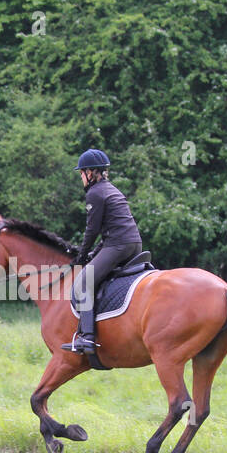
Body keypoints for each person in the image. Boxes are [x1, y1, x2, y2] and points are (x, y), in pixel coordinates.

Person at [62, 149, 143, 355]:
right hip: (134, 244)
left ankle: (87, 338)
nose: (81, 177)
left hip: (119, 246)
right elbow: (109, 232)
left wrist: (81, 256)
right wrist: (93, 254)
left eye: (81, 173)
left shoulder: (95, 193)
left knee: (83, 282)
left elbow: (92, 230)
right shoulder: (111, 189)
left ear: (90, 172)